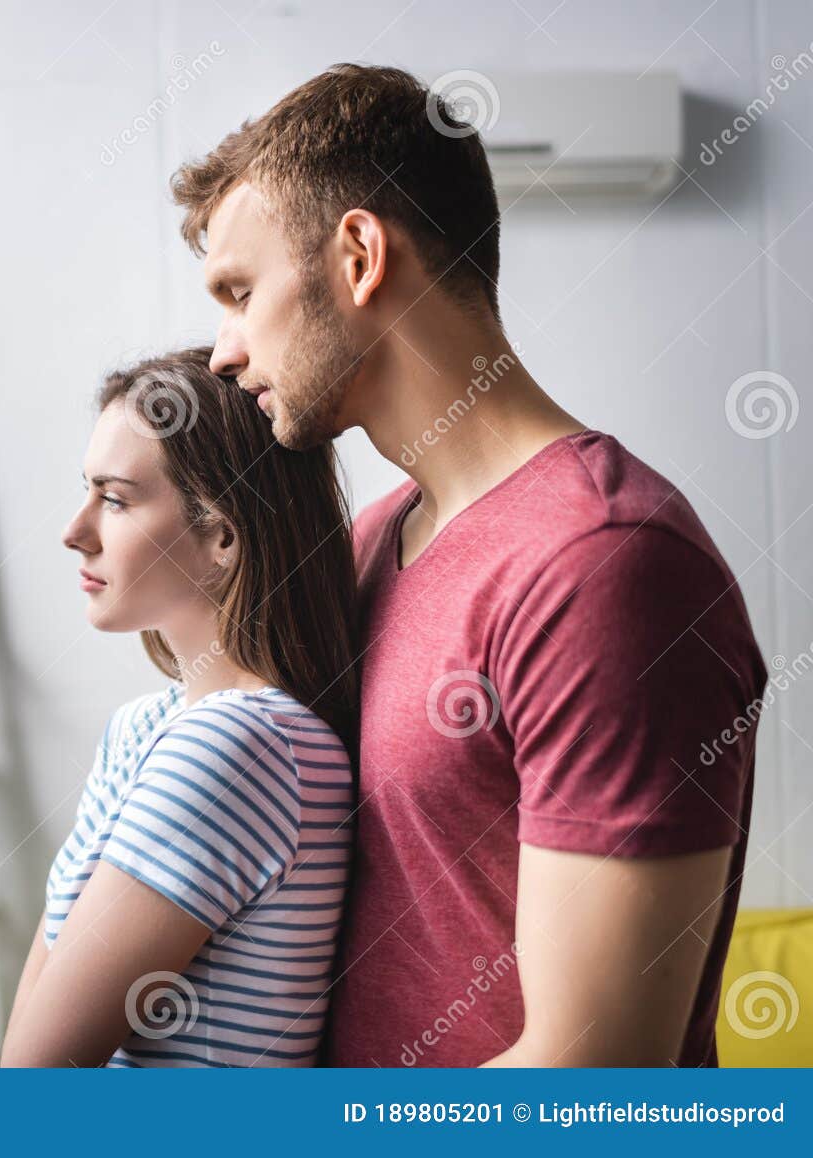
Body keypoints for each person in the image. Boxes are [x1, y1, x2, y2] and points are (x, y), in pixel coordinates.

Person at [172, 63, 768, 1066]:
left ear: (358, 255)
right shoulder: (376, 544)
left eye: (239, 292)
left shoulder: (603, 566)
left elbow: (591, 1077)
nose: (223, 352)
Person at [0, 347, 358, 1066]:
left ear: (222, 535)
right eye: (86, 490)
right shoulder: (146, 727)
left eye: (117, 498)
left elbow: (35, 1069)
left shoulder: (242, 744)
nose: (75, 530)